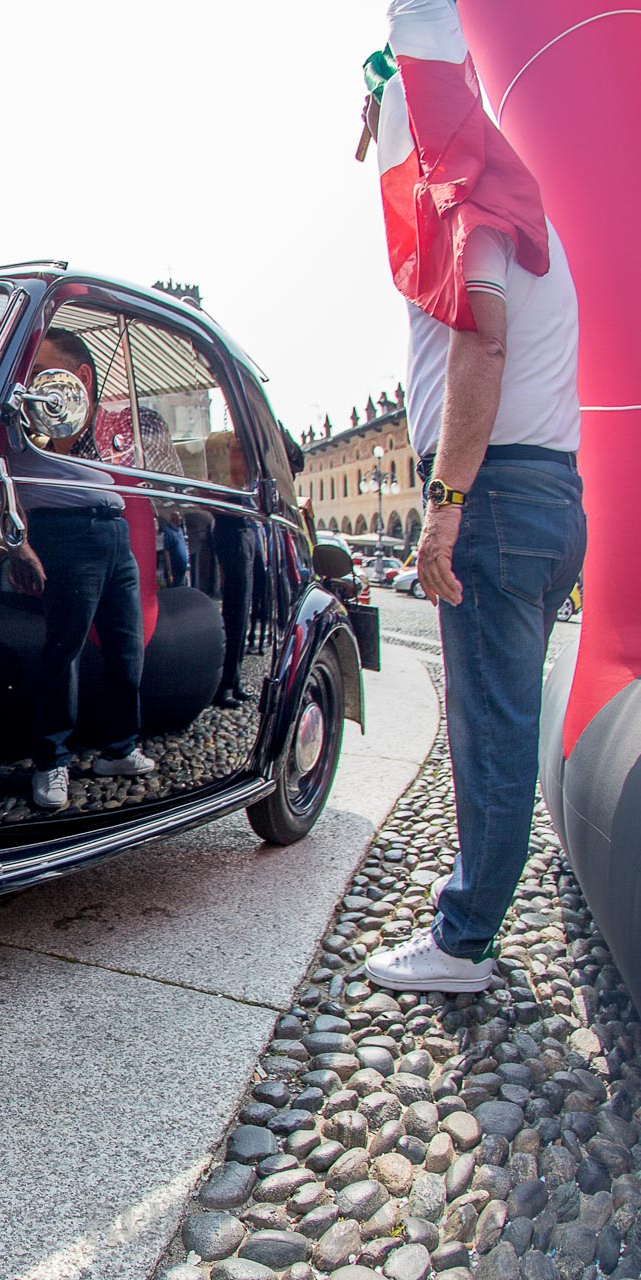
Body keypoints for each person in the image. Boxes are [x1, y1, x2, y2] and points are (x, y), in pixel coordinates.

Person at [358, 59, 589, 991]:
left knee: (488, 728)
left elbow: (479, 339)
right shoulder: (512, 202)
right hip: (542, 492)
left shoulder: (470, 200)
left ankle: (464, 942)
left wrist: (445, 505)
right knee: (504, 716)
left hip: (494, 494)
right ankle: (477, 916)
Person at [8, 328, 156, 809]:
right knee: (64, 650)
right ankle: (51, 762)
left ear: (81, 375)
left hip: (113, 530)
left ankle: (120, 748)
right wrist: (20, 543)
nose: (32, 382)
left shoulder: (108, 421)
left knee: (126, 648)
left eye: (43, 371)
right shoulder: (24, 417)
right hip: (64, 529)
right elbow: (6, 476)